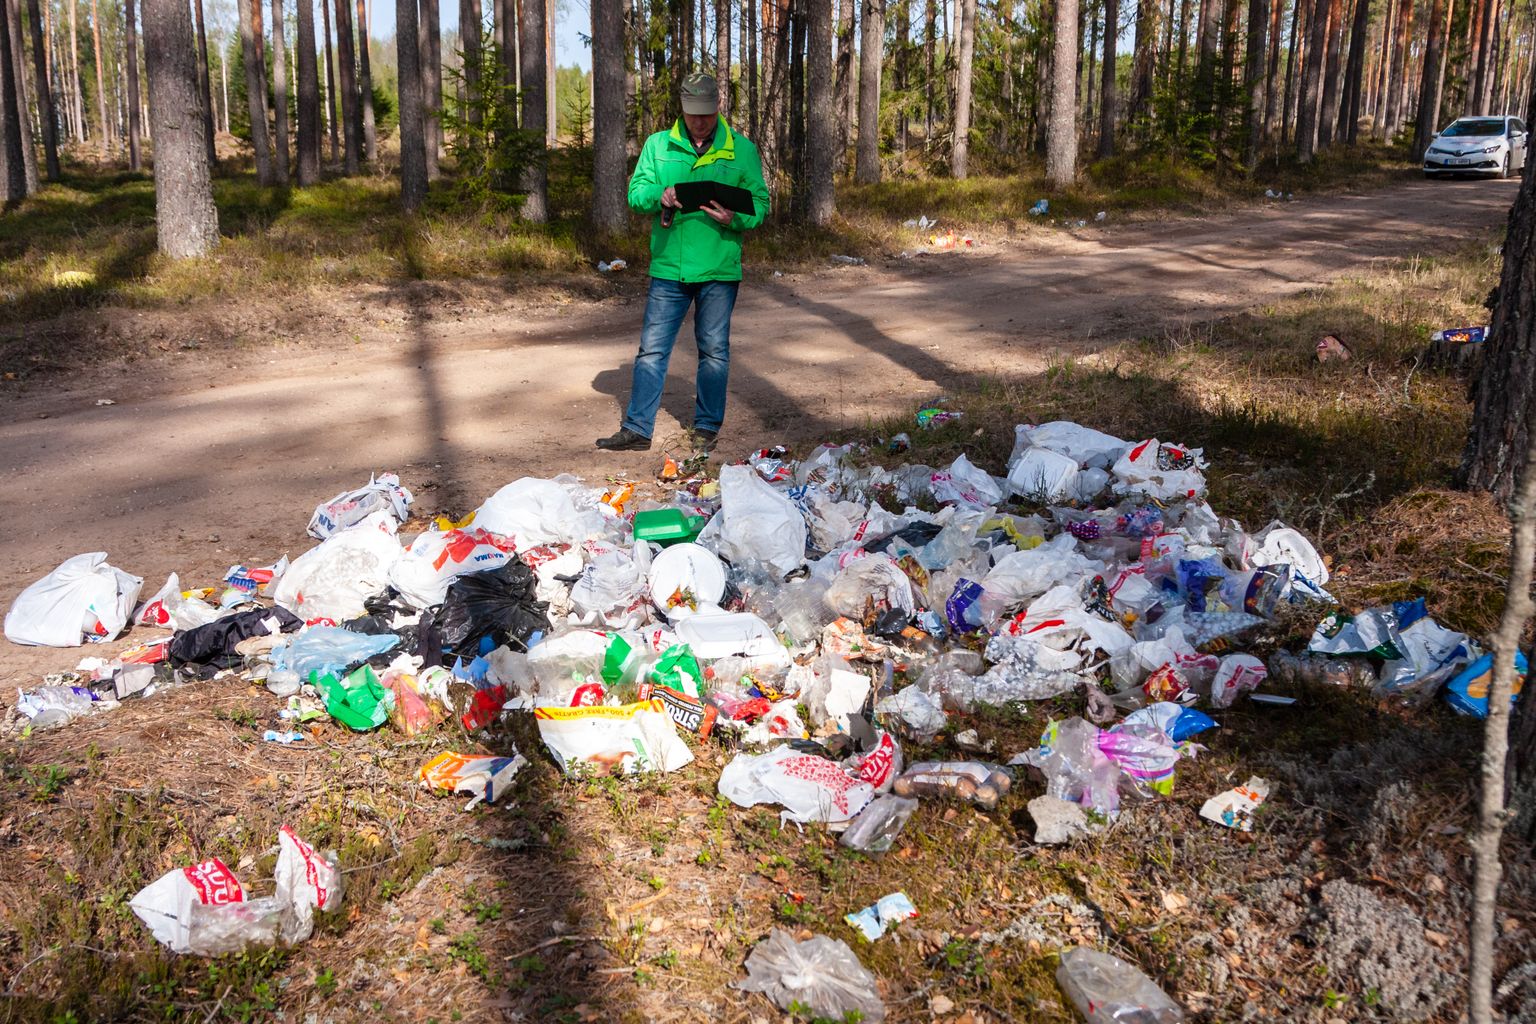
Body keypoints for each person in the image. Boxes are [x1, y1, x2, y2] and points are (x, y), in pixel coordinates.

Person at [596, 72, 771, 453]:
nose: (701, 120)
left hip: (718, 268)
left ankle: (706, 427)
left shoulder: (742, 150)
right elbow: (635, 193)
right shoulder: (658, 145)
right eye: (694, 113)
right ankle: (637, 429)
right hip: (668, 269)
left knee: (713, 350)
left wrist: (735, 218)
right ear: (682, 108)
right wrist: (661, 195)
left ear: (718, 106)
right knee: (652, 350)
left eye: (707, 113)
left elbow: (760, 204)